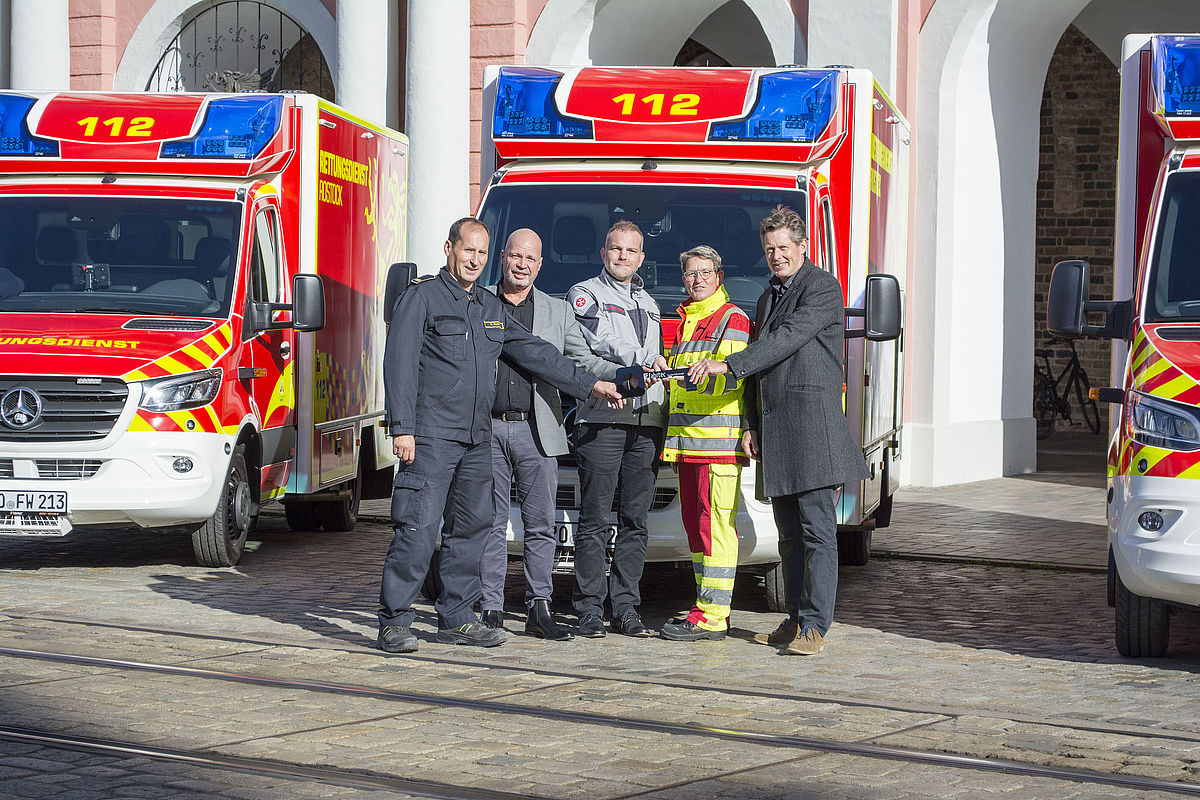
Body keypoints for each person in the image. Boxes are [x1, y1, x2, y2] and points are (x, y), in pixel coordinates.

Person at [376, 217, 623, 654]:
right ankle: (395, 621)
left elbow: (537, 353)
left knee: (470, 532)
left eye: (481, 253)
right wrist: (403, 428)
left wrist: (591, 384)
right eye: (468, 250)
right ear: (448, 248)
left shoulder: (488, 308)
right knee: (417, 529)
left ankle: (457, 618)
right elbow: (398, 362)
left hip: (475, 438)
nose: (475, 260)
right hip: (431, 436)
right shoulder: (423, 298)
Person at [688, 205, 869, 656]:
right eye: (769, 249)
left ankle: (816, 626)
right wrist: (750, 424)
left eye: (783, 248)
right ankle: (794, 617)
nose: (776, 256)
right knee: (788, 535)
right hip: (775, 431)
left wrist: (727, 364)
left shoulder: (823, 288)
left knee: (817, 533)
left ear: (803, 246)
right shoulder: (768, 296)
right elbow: (761, 361)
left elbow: (787, 338)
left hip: (812, 430)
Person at [565, 220, 668, 639]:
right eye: (616, 249)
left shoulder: (651, 303)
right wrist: (640, 367)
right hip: (604, 418)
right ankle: (589, 607)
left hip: (646, 423)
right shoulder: (584, 293)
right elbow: (600, 343)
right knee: (593, 519)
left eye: (631, 250)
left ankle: (626, 607)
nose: (623, 256)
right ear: (603, 252)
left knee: (634, 521)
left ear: (641, 257)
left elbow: (659, 360)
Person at [479, 228, 581, 641]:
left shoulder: (558, 312)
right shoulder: (478, 300)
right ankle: (490, 607)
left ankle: (540, 606)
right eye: (516, 256)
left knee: (541, 523)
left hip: (537, 429)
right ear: (502, 257)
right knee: (489, 521)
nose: (522, 264)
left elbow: (581, 358)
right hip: (485, 428)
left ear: (540, 265)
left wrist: (623, 375)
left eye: (531, 259)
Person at [656, 245, 751, 642]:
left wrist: (675, 375)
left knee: (716, 530)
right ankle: (707, 607)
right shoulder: (686, 322)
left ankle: (713, 615)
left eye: (705, 272)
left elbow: (730, 377)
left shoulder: (733, 318)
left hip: (717, 447)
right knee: (697, 530)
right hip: (686, 445)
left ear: (719, 275)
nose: (697, 280)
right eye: (690, 273)